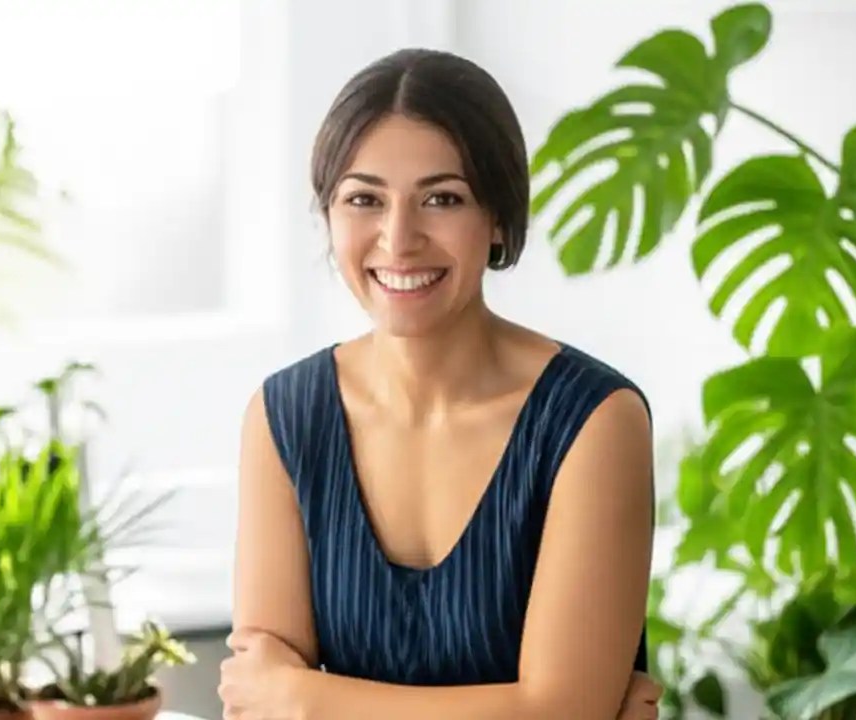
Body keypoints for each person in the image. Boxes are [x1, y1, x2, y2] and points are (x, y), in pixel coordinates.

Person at [218, 48, 663, 719]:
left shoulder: (594, 422)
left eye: (442, 199)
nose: (398, 239)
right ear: (329, 215)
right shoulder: (286, 416)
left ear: (499, 219)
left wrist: (306, 697)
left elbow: (563, 712)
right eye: (364, 198)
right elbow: (258, 703)